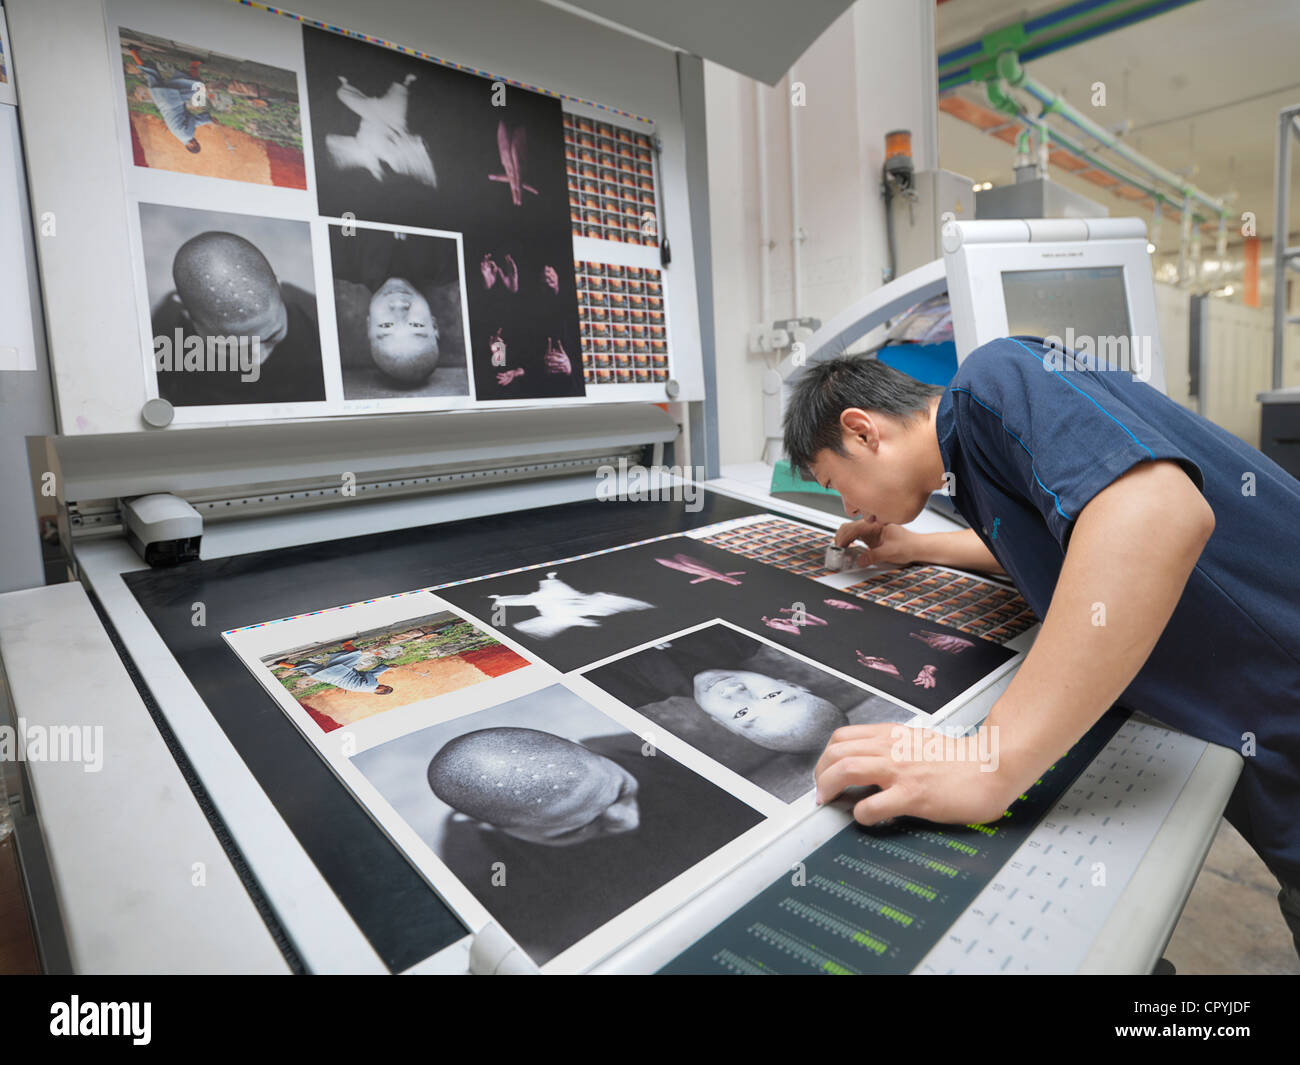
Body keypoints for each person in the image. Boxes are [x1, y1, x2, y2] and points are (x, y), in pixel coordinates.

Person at [783, 336, 1300, 956]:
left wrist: (989, 761)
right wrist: (919, 547)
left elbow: (1155, 511)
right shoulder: (970, 467)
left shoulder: (991, 380)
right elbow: (1061, 538)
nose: (847, 505)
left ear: (863, 432)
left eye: (835, 481)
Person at [427, 726, 762, 963]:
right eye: (583, 827)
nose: (628, 820)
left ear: (586, 748)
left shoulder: (668, 749)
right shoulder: (482, 870)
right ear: (484, 825)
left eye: (620, 791)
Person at [151, 230, 325, 406]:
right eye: (231, 346)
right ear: (188, 315)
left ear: (279, 289)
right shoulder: (165, 336)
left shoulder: (320, 323)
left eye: (272, 336)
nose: (258, 360)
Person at [129, 49, 211, 153]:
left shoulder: (188, 135)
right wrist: (209, 119)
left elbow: (193, 120)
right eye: (197, 143)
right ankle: (133, 51)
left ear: (190, 146)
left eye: (196, 144)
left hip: (172, 100)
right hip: (159, 99)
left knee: (197, 87)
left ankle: (194, 63)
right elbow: (193, 122)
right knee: (150, 73)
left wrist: (209, 118)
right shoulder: (181, 136)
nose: (196, 141)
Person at [281, 648, 396, 695]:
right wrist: (387, 667)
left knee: (355, 654)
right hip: (328, 678)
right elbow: (368, 675)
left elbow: (369, 674)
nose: (383, 684)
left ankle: (347, 644)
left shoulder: (373, 685)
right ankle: (281, 664)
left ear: (381, 690)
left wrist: (387, 667)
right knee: (307, 666)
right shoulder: (366, 689)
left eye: (385, 686)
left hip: (341, 672)